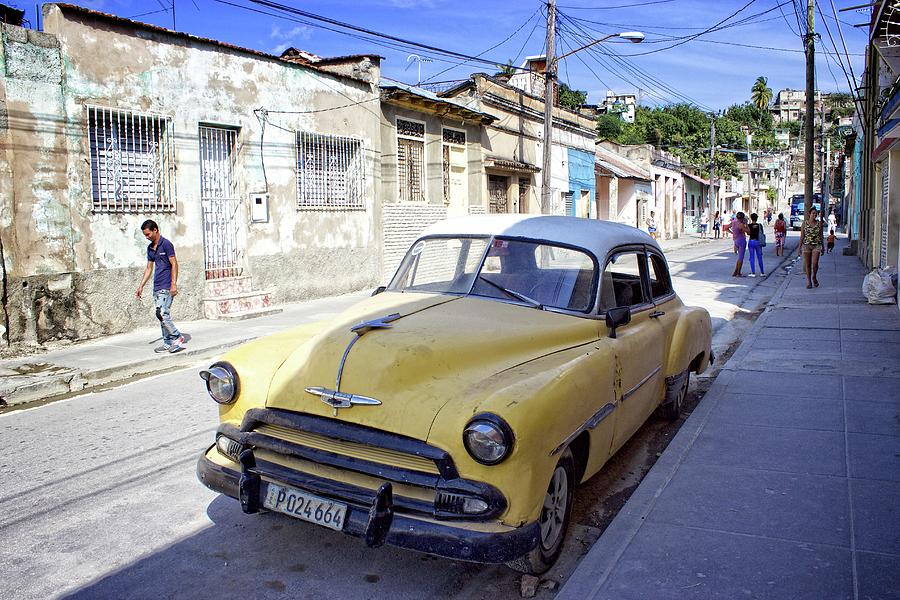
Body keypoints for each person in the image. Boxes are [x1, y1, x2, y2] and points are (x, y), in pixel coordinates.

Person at [136, 220, 185, 353]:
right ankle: (167, 343)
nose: (146, 237)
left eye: (148, 234)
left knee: (162, 313)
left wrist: (173, 284)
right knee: (161, 315)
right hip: (157, 286)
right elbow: (148, 268)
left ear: (155, 230)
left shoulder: (166, 244)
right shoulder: (150, 248)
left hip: (167, 285)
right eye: (145, 235)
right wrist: (141, 286)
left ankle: (177, 337)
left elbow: (174, 264)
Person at [800, 207, 825, 288]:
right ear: (809, 214)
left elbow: (821, 235)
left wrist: (823, 247)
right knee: (808, 264)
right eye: (813, 213)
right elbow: (802, 236)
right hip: (807, 245)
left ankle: (814, 276)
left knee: (814, 264)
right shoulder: (804, 223)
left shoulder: (819, 223)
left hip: (816, 245)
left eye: (815, 213)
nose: (814, 215)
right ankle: (809, 281)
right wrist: (799, 248)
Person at [730, 211, 750, 277]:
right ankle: (738, 272)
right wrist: (746, 224)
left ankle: (736, 271)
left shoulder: (733, 222)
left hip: (736, 240)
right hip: (741, 240)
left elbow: (725, 228)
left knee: (739, 258)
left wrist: (732, 233)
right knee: (741, 258)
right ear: (742, 218)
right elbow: (748, 232)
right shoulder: (741, 224)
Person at [747, 212, 765, 277]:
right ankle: (762, 272)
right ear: (757, 218)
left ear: (751, 219)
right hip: (758, 242)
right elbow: (762, 234)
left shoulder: (749, 225)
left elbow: (748, 233)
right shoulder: (760, 225)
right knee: (759, 257)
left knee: (752, 257)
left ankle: (753, 272)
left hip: (751, 241)